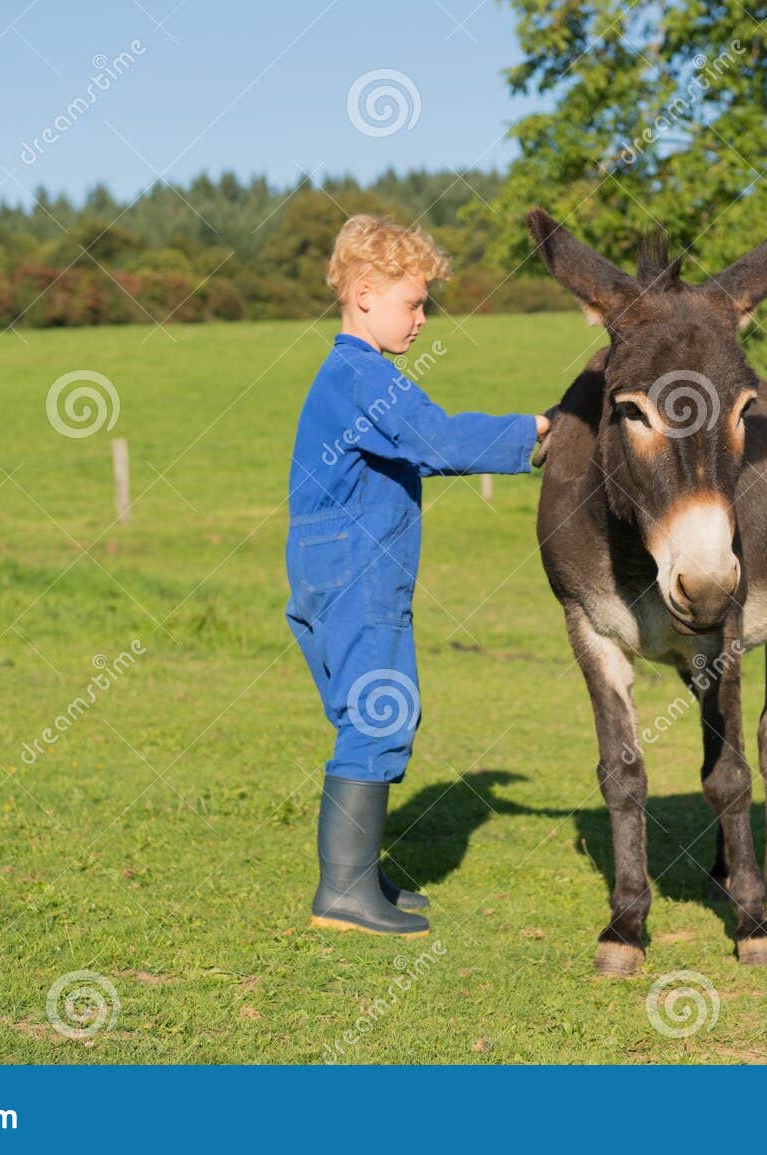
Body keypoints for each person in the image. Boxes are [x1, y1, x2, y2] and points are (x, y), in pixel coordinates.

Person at [286, 215, 550, 938]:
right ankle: (340, 893)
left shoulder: (351, 374)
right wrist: (535, 432)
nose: (424, 317)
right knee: (379, 712)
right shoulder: (360, 375)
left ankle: (360, 875)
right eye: (414, 301)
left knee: (371, 711)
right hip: (358, 570)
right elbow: (433, 439)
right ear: (365, 294)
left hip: (331, 564)